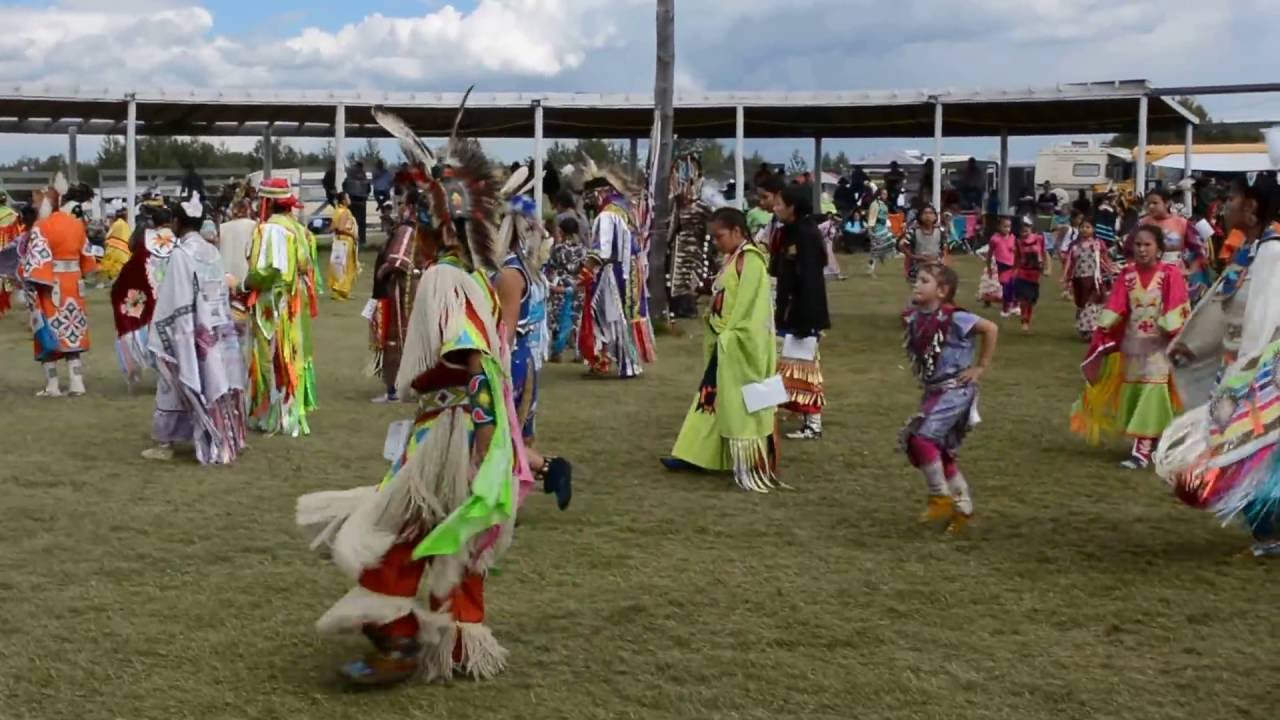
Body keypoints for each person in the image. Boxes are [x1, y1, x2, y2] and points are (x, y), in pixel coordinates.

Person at [296, 129, 530, 687]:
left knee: (402, 528)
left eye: (413, 220)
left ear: (433, 228)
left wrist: (481, 442)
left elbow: (476, 360)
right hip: (460, 424)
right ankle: (458, 643)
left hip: (450, 430)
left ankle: (397, 639)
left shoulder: (445, 279)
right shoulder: (472, 277)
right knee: (455, 535)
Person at [1157, 176, 1280, 556]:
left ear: (1252, 208)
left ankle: (1270, 533)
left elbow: (1264, 321)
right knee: (1247, 452)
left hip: (1262, 375)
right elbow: (1224, 308)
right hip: (1241, 370)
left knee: (1255, 451)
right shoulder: (1251, 252)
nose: (1224, 206)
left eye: (1232, 199)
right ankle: (1268, 533)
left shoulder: (1273, 253)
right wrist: (1193, 347)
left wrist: (1250, 375)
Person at [662, 207, 780, 491]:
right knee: (710, 399)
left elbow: (752, 308)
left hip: (741, 345)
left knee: (751, 402)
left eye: (720, 236)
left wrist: (732, 335)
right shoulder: (734, 258)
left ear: (737, 231)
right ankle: (694, 454)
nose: (716, 242)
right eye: (713, 237)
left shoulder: (751, 261)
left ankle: (755, 459)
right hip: (725, 344)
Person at [1071, 224, 1189, 469]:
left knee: (1152, 390)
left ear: (1159, 249)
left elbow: (1177, 305)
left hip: (1159, 347)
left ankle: (1142, 451)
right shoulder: (1127, 275)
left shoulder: (1170, 274)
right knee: (1136, 390)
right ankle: (1154, 439)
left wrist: (1171, 332)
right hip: (1132, 345)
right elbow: (1116, 305)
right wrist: (1105, 330)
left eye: (1147, 245)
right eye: (1138, 245)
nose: (1142, 249)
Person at [141, 193, 246, 464]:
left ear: (177, 222)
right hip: (214, 330)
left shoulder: (181, 254)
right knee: (212, 380)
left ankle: (166, 443)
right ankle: (220, 432)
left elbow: (175, 299)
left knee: (174, 382)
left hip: (189, 331)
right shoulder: (212, 251)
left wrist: (164, 329)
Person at [900, 263, 998, 535]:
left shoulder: (956, 317)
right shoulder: (916, 317)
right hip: (935, 391)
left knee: (921, 438)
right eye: (917, 280)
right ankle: (963, 508)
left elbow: (991, 328)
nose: (916, 284)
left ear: (942, 291)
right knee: (939, 450)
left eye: (924, 281)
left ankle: (939, 497)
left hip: (956, 389)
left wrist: (980, 366)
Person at [243, 177, 317, 436]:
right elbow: (308, 267)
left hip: (271, 302)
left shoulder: (268, 230)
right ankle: (291, 412)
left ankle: (273, 415)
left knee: (271, 354)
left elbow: (264, 270)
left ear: (267, 202)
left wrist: (246, 283)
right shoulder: (301, 231)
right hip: (294, 301)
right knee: (292, 353)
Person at [18, 177, 97, 396]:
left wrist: (30, 282)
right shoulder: (76, 224)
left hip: (50, 285)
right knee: (72, 331)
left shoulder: (41, 226)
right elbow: (88, 258)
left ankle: (52, 386)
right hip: (74, 284)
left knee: (48, 332)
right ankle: (77, 382)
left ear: (47, 203)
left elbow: (36, 262)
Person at [578, 170, 656, 378]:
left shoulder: (607, 214)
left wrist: (586, 270)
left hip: (615, 272)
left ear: (601, 193)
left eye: (590, 196)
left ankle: (625, 363)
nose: (588, 202)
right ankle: (607, 359)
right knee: (616, 315)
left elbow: (602, 249)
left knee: (611, 315)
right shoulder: (625, 208)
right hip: (630, 268)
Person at [774, 183, 831, 440]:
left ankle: (813, 424)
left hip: (803, 313)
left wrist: (804, 318)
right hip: (791, 310)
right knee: (785, 365)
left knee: (804, 367)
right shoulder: (792, 231)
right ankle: (771, 414)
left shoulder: (805, 234)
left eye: (779, 204)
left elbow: (809, 280)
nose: (775, 208)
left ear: (792, 207)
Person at [368, 197, 428, 403]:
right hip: (415, 290)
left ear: (410, 207)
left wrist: (382, 271)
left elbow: (398, 261)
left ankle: (395, 389)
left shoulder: (406, 230)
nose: (398, 207)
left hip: (400, 293)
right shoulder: (423, 229)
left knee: (394, 339)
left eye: (401, 203)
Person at [110, 204, 178, 386]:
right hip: (175, 299)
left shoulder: (145, 241)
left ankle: (153, 367)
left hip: (148, 297)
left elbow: (131, 271)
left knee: (150, 330)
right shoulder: (180, 241)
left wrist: (119, 290)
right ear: (172, 221)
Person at [1131, 187, 1212, 304]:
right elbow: (1129, 249)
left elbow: (1200, 249)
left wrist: (1190, 271)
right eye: (1148, 204)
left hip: (1175, 275)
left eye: (1155, 203)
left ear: (1167, 203)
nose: (1151, 207)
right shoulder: (1142, 223)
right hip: (1147, 277)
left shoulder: (1182, 223)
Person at [1060, 219, 1114, 341]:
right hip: (1079, 280)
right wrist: (1065, 276)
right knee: (1082, 304)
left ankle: (1092, 330)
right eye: (1082, 227)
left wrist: (1110, 270)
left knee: (1093, 303)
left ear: (1093, 229)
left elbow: (1105, 258)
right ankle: (1084, 329)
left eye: (1088, 227)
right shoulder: (1074, 246)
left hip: (1095, 279)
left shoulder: (1098, 244)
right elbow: (1069, 263)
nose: (1085, 229)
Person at [546, 215, 587, 362]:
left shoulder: (558, 249)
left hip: (561, 287)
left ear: (562, 232)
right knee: (577, 320)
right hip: (578, 287)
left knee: (558, 319)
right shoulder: (583, 250)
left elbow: (551, 267)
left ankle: (557, 352)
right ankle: (580, 354)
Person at [1012, 224, 1046, 332]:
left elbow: (1044, 253)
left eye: (1026, 230)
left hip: (1035, 274)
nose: (1024, 233)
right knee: (1023, 298)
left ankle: (1027, 319)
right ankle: (1024, 320)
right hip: (1022, 272)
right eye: (1022, 231)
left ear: (1031, 229)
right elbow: (1017, 257)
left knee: (1030, 300)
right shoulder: (1018, 242)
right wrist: (1014, 270)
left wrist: (1047, 268)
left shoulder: (1039, 239)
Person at [901, 204, 947, 282]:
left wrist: (942, 261)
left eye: (930, 213)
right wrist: (915, 257)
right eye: (925, 213)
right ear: (920, 216)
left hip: (936, 265)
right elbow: (903, 246)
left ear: (935, 216)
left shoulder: (940, 231)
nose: (928, 216)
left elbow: (944, 249)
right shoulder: (914, 231)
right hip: (918, 267)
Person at [327, 192, 359, 300]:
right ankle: (341, 289)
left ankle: (340, 291)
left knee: (338, 264)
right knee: (346, 266)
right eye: (348, 197)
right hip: (346, 241)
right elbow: (341, 228)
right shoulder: (345, 212)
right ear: (344, 201)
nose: (350, 199)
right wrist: (352, 235)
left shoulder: (336, 211)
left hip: (338, 240)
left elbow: (332, 228)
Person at [987, 217, 1017, 317]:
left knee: (1014, 286)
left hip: (1013, 265)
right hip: (1002, 266)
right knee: (1006, 287)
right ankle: (1005, 309)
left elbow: (1016, 251)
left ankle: (1014, 306)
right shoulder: (995, 239)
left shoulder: (1012, 237)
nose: (1007, 229)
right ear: (999, 227)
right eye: (1005, 226)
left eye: (1009, 227)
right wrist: (989, 267)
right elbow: (989, 253)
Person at [866, 187, 895, 277]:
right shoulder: (875, 204)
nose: (885, 196)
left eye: (886, 194)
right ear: (879, 194)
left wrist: (888, 226)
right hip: (876, 228)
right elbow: (872, 216)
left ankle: (881, 257)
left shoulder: (884, 204)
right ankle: (871, 269)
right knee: (875, 249)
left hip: (883, 228)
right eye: (883, 194)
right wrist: (870, 228)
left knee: (889, 243)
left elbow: (886, 217)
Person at [99, 204, 132, 282]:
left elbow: (107, 236)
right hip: (124, 253)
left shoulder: (116, 224)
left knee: (110, 272)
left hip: (113, 252)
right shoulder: (127, 226)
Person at [0, 189, 19, 315]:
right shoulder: (13, 215)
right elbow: (16, 234)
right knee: (7, 273)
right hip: (8, 248)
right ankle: (5, 301)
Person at [343, 161, 371, 247]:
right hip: (358, 200)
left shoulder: (350, 177)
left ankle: (358, 239)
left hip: (356, 200)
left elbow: (344, 186)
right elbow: (368, 189)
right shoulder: (364, 178)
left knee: (357, 221)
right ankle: (359, 239)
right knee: (358, 221)